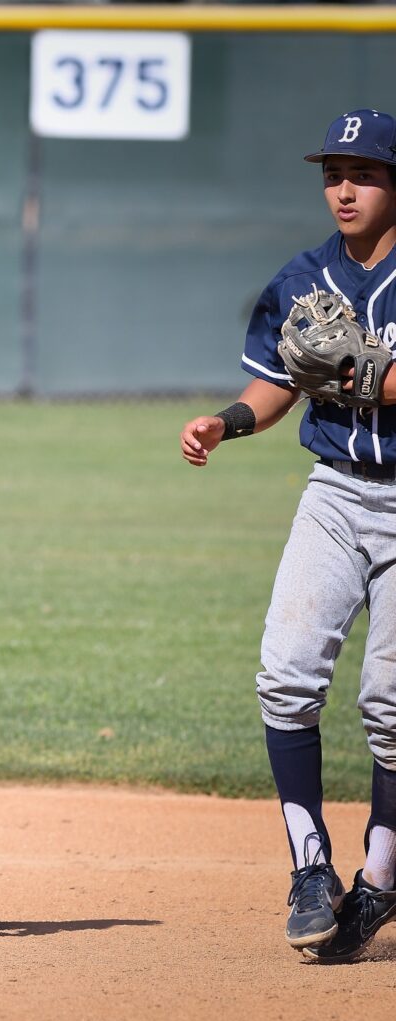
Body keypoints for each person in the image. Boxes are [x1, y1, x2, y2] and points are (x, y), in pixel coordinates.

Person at [180, 108, 396, 962]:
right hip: (335, 493)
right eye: (332, 173)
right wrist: (227, 421)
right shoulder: (304, 278)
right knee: (285, 676)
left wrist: (359, 373)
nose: (344, 188)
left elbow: (352, 377)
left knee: (390, 709)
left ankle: (379, 881)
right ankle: (312, 869)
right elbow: (273, 383)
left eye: (366, 172)